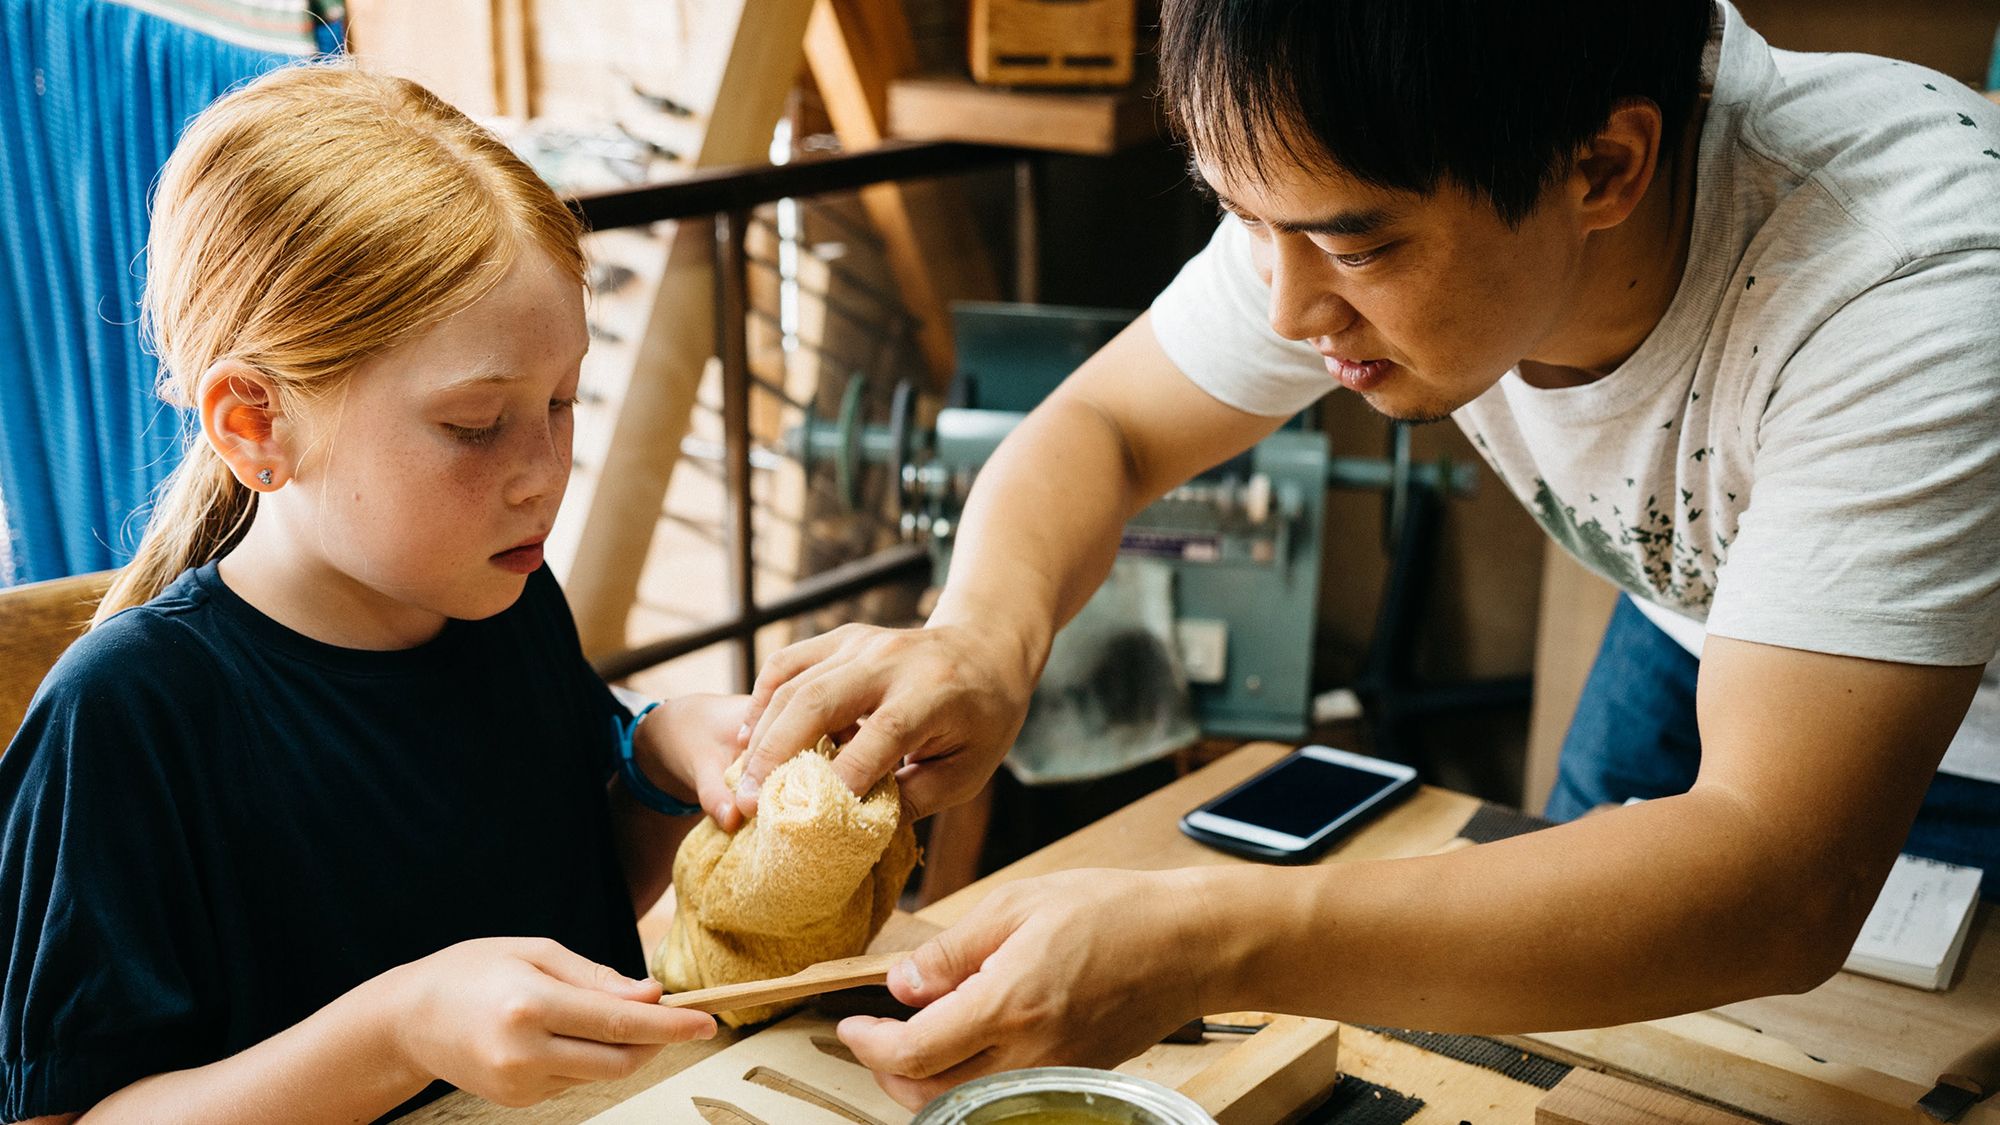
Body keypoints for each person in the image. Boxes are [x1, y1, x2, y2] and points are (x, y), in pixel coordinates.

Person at [726, 0, 2000, 1108]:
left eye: (1352, 248)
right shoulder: (1363, 153)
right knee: (1596, 1055)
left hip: (1969, 737)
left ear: (1604, 167)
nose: (1286, 313)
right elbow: (1104, 427)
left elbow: (1777, 877)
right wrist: (981, 634)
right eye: (1244, 221)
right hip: (1689, 633)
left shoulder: (1910, 291)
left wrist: (1210, 940)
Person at [0, 63, 750, 1124]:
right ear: (254, 424)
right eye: (474, 424)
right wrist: (398, 1029)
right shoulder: (129, 718)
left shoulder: (507, 599)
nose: (543, 470)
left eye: (563, 401)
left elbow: (570, 923)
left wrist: (668, 766)